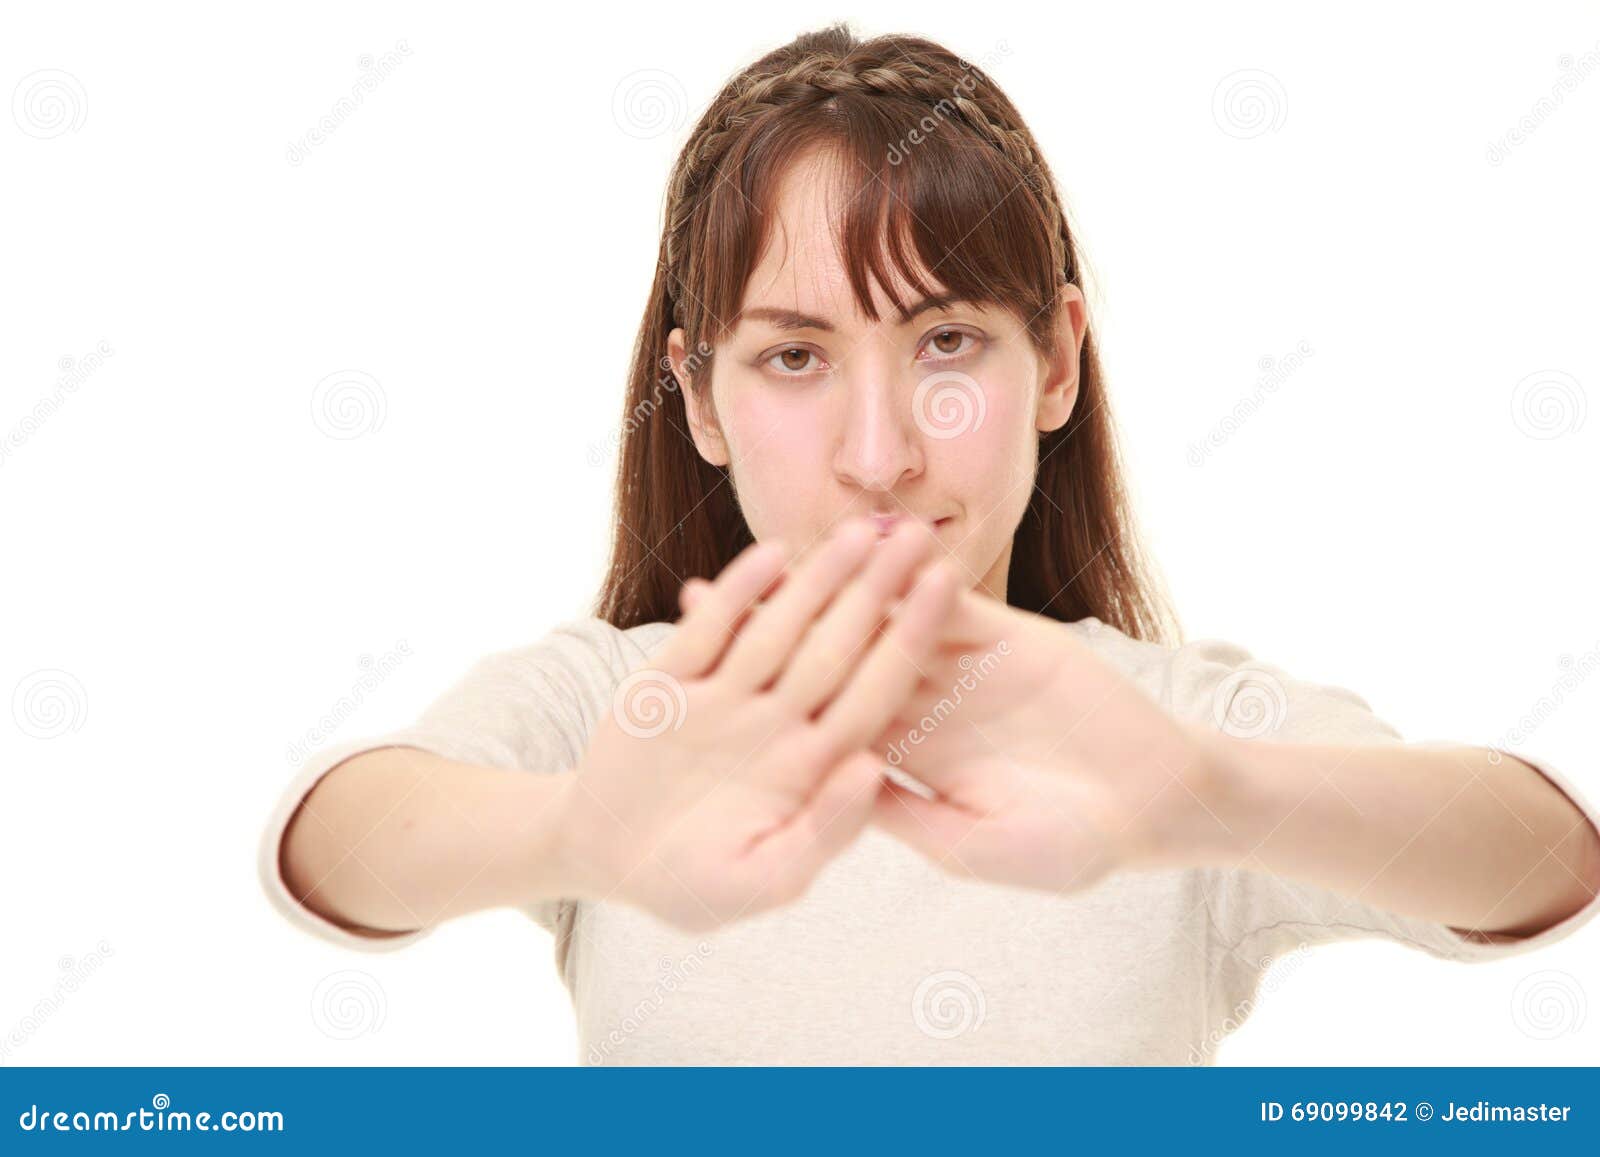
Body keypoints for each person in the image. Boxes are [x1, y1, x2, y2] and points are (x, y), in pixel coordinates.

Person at [257, 23, 1600, 1065]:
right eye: (795, 357)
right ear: (699, 396)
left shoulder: (1166, 731)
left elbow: (1546, 859)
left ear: (1058, 363)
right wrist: (572, 832)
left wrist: (1218, 797)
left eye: (947, 342)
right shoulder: (636, 708)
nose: (881, 451)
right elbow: (338, 847)